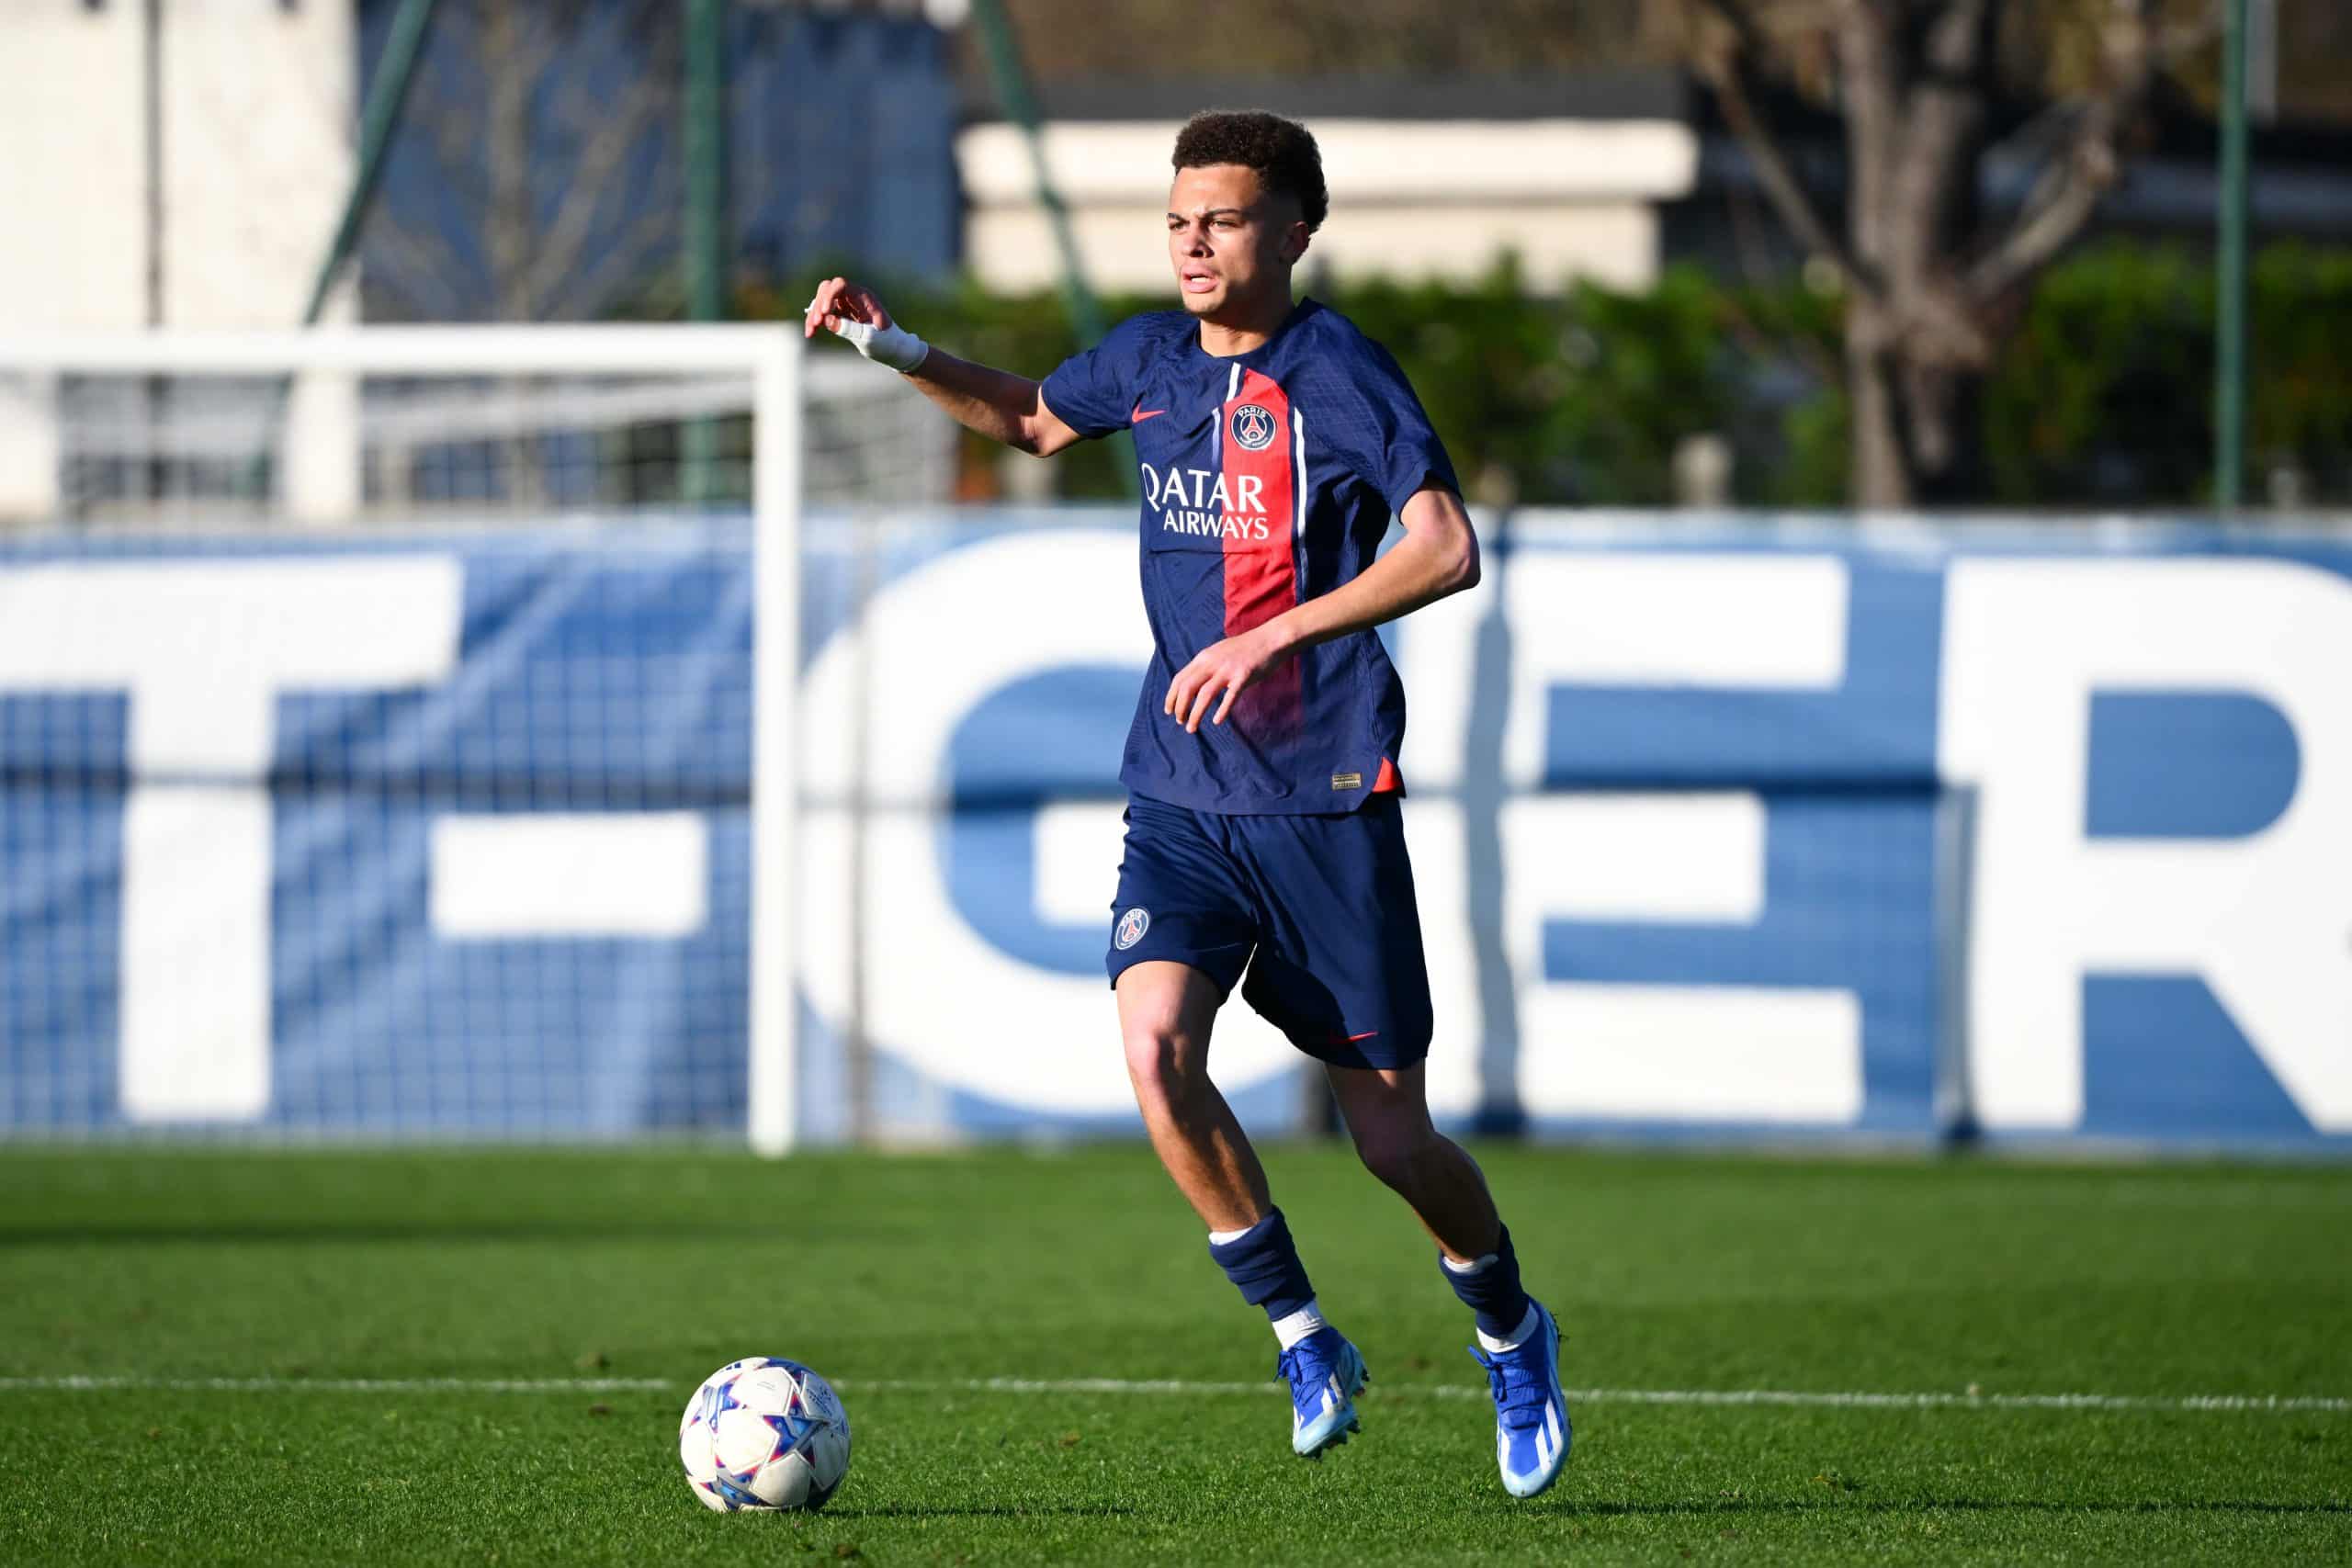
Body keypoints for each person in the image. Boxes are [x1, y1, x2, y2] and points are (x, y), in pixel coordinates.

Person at [805, 108, 1568, 1499]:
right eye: (1176, 222)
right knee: (1155, 1049)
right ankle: (1302, 1335)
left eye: (1220, 220)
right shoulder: (1151, 359)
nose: (1192, 244)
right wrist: (894, 347)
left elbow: (1446, 548)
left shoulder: (1339, 373)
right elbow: (1033, 417)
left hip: (1324, 799)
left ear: (1293, 232)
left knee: (1393, 1141)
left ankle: (1511, 1330)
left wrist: (1277, 635)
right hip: (1183, 793)